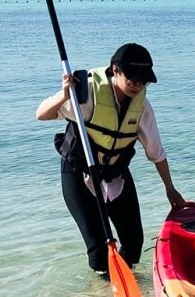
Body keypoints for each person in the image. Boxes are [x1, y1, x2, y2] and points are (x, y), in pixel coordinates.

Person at [35, 42, 185, 274]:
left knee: (134, 243)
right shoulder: (85, 95)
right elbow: (41, 114)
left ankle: (124, 284)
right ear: (115, 70)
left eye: (143, 81)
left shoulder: (142, 108)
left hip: (115, 173)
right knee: (98, 250)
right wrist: (64, 95)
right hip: (79, 173)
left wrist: (169, 188)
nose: (138, 86)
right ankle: (103, 292)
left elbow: (156, 152)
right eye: (132, 80)